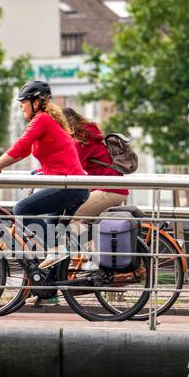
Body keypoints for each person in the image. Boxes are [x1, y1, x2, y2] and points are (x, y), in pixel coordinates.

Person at [0, 81, 86, 298]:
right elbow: (29, 152)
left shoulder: (41, 119)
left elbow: (21, 146)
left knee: (21, 209)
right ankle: (49, 293)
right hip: (69, 184)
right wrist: (31, 173)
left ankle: (57, 251)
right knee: (53, 234)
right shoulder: (48, 120)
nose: (21, 106)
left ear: (37, 102)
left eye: (24, 102)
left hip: (68, 186)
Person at [62, 107, 128, 272]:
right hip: (112, 188)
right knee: (87, 223)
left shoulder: (82, 141)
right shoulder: (89, 135)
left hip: (109, 190)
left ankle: (88, 259)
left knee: (72, 215)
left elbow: (70, 165)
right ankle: (96, 263)